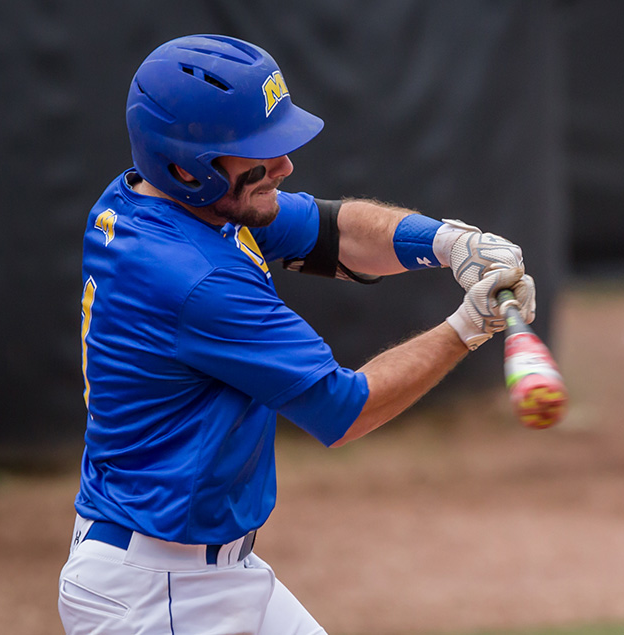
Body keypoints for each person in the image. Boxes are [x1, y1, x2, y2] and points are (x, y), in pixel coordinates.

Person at [58, 34, 536, 634]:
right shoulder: (196, 281)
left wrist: (447, 243)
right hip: (162, 595)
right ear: (187, 166)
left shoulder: (158, 201)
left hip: (202, 571)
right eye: (259, 153)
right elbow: (345, 409)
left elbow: (330, 229)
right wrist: (470, 326)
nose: (283, 166)